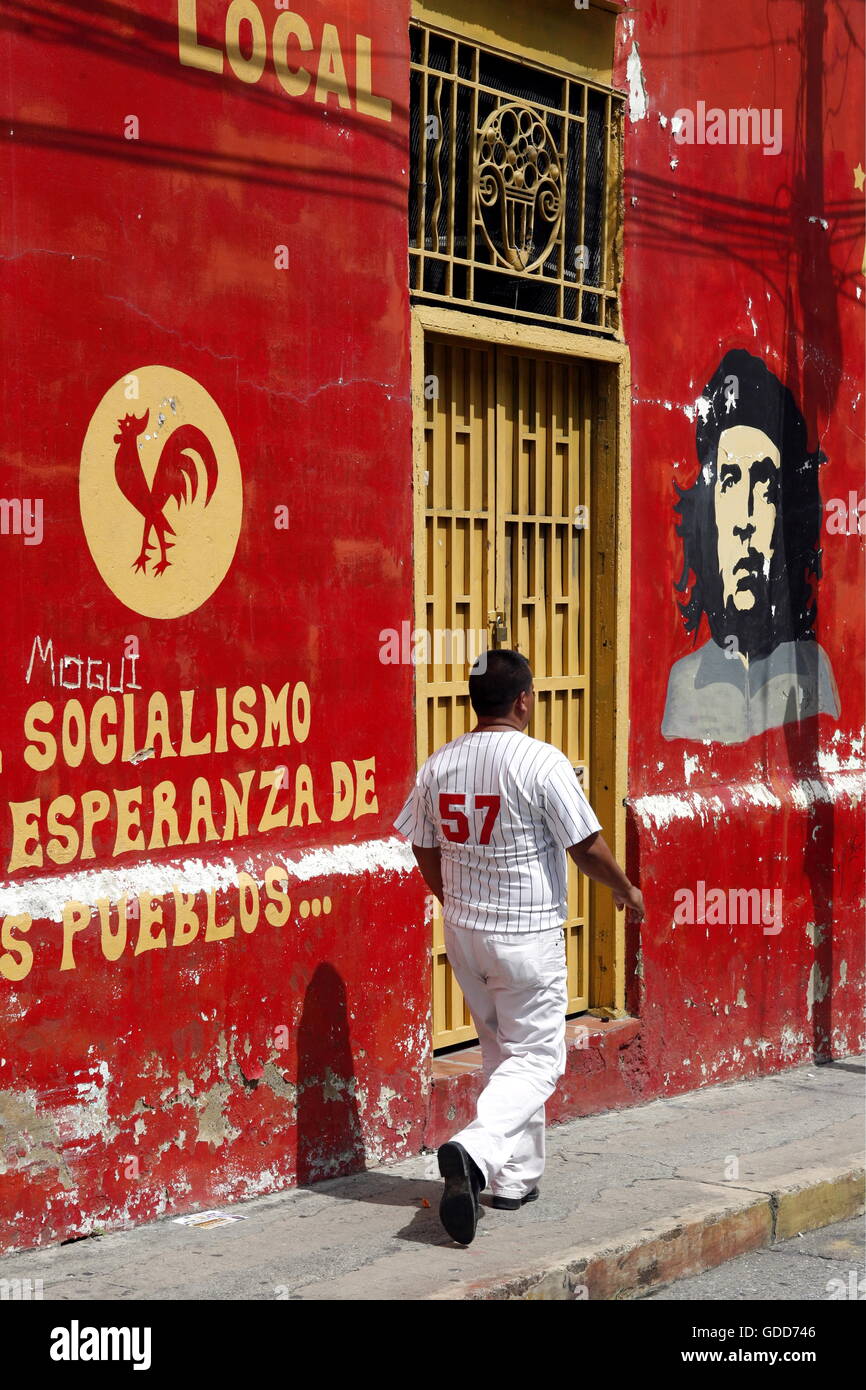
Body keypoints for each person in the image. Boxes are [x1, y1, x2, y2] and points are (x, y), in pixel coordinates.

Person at [394, 649, 645, 1245]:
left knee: (500, 1054)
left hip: (465, 934)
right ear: (525, 699)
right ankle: (474, 1150)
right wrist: (626, 888)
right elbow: (584, 847)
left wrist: (452, 898)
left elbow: (420, 845)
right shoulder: (541, 763)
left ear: (473, 700)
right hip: (526, 935)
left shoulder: (439, 764)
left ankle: (512, 1180)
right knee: (538, 1058)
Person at [662, 348, 839, 744]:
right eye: (730, 481)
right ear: (706, 515)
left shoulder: (812, 669)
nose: (746, 518)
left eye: (764, 485)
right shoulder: (686, 681)